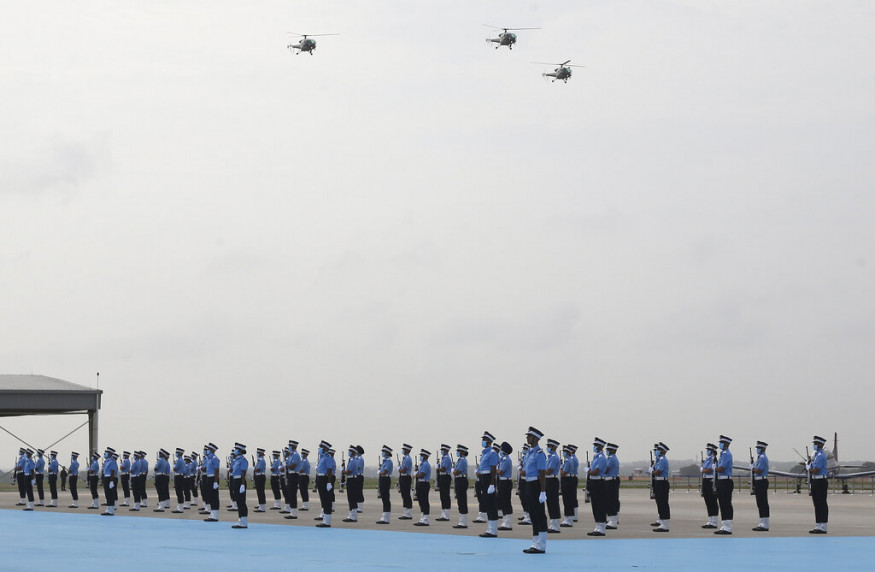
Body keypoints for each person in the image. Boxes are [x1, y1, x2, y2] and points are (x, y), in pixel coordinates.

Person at [522, 427, 548, 554]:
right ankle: (535, 542)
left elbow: (542, 474)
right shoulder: (529, 453)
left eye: (530, 436)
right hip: (528, 484)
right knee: (532, 514)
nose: (527, 438)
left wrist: (543, 491)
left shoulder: (539, 454)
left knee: (539, 514)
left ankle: (541, 544)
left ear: (536, 438)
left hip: (536, 485)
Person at [477, 431, 500, 538]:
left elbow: (493, 470)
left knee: (491, 504)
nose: (483, 441)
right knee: (486, 502)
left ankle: (493, 530)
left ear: (490, 441)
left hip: (488, 479)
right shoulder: (485, 453)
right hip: (483, 478)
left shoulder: (492, 453)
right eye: (483, 439)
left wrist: (492, 484)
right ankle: (490, 528)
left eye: (485, 439)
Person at [586, 438, 608, 536]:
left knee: (600, 505)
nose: (594, 447)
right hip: (594, 482)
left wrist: (589, 471)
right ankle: (598, 526)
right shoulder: (596, 457)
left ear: (600, 447)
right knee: (595, 505)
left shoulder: (601, 458)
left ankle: (601, 528)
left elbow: (595, 472)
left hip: (599, 482)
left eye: (596, 445)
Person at [809, 434, 829, 534]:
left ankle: (823, 526)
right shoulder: (816, 455)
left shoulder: (820, 456)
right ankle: (818, 524)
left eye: (816, 444)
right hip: (815, 480)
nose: (815, 445)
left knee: (822, 503)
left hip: (820, 481)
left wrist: (809, 468)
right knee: (816, 503)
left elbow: (816, 470)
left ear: (821, 445)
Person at [714, 435, 734, 535]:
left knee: (726, 503)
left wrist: (715, 468)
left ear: (726, 444)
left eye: (722, 442)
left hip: (726, 481)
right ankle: (724, 524)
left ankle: (728, 526)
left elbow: (721, 468)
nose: (720, 444)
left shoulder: (726, 454)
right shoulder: (722, 454)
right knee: (721, 503)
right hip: (721, 481)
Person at [314, 441, 336, 528]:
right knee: (323, 499)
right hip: (320, 478)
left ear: (326, 448)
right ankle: (325, 519)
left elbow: (330, 470)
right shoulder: (322, 457)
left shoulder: (327, 457)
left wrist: (329, 483)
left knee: (326, 500)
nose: (320, 448)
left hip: (325, 479)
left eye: (321, 447)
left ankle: (327, 521)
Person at [651, 442, 670, 532]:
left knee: (663, 503)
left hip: (662, 482)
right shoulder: (659, 460)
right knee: (660, 503)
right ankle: (662, 522)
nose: (657, 451)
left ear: (663, 451)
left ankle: (665, 524)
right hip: (658, 482)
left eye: (659, 449)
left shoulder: (663, 460)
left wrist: (652, 471)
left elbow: (657, 472)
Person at [544, 438, 562, 533]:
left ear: (554, 447)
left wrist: (541, 471)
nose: (547, 448)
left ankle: (555, 525)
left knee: (553, 502)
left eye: (549, 446)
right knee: (550, 503)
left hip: (552, 480)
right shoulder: (550, 457)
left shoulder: (554, 457)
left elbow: (548, 471)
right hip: (548, 480)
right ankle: (552, 524)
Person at [751, 440, 770, 531]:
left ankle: (765, 524)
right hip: (758, 481)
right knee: (759, 503)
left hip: (762, 481)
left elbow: (758, 471)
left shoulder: (762, 458)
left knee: (763, 502)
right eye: (757, 448)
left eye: (759, 448)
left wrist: (753, 468)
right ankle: (762, 521)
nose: (757, 449)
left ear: (763, 448)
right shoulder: (759, 458)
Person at [342, 445, 364, 522]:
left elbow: (348, 472)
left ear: (354, 452)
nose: (349, 452)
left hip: (353, 479)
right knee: (350, 498)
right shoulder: (352, 460)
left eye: (350, 451)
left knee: (352, 498)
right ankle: (351, 515)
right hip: (351, 479)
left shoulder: (354, 461)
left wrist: (343, 471)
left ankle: (353, 516)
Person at [700, 443, 719, 529]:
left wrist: (703, 470)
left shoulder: (713, 459)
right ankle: (710, 520)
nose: (707, 451)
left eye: (709, 450)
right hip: (705, 480)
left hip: (711, 480)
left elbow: (708, 470)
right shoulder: (707, 459)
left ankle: (714, 521)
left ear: (712, 451)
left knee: (712, 501)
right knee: (707, 501)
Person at [231, 443, 250, 529]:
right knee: (238, 501)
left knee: (241, 501)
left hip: (240, 481)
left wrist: (242, 484)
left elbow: (243, 473)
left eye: (236, 449)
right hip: (235, 480)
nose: (235, 450)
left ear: (240, 451)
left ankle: (244, 521)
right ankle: (240, 520)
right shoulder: (237, 460)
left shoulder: (243, 460)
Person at [496, 442, 514, 530]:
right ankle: (505, 521)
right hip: (502, 482)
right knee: (503, 502)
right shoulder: (502, 459)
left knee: (506, 502)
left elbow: (500, 472)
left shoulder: (506, 460)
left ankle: (508, 523)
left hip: (505, 482)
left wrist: (494, 469)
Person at [560, 444, 579, 527]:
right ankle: (569, 518)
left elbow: (564, 473)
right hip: (570, 479)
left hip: (568, 480)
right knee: (569, 499)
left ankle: (569, 519)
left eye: (564, 451)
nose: (563, 453)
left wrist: (560, 468)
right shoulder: (570, 459)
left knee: (567, 500)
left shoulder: (568, 460)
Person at [413, 449, 432, 526]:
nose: (420, 457)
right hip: (420, 483)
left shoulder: (425, 465)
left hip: (424, 483)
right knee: (421, 501)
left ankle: (426, 519)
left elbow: (421, 475)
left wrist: (415, 475)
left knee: (424, 501)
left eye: (422, 456)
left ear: (425, 456)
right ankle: (423, 518)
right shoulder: (422, 464)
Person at [452, 444, 469, 529]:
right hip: (459, 480)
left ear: (462, 452)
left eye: (458, 451)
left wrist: (453, 470)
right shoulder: (460, 460)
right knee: (460, 501)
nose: (457, 453)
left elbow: (456, 472)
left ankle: (463, 522)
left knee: (462, 501)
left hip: (461, 480)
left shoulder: (462, 460)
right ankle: (462, 521)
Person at [203, 443, 221, 522]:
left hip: (213, 478)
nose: (207, 451)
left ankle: (215, 515)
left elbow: (217, 470)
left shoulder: (214, 458)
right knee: (210, 496)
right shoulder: (209, 459)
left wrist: (215, 481)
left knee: (214, 497)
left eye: (209, 449)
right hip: (208, 477)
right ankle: (212, 514)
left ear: (213, 450)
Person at [604, 443, 620, 529]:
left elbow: (605, 470)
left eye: (609, 450)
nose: (607, 451)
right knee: (610, 500)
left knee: (611, 501)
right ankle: (612, 519)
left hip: (611, 481)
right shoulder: (610, 458)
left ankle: (613, 522)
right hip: (610, 480)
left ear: (614, 450)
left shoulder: (611, 459)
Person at [376, 445, 394, 524]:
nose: (382, 453)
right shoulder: (385, 461)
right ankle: (384, 516)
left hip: (385, 479)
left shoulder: (389, 461)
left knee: (386, 498)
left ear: (387, 453)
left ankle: (386, 517)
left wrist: (379, 472)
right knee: (383, 498)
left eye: (383, 452)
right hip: (382, 479)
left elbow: (384, 472)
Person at [285, 441, 302, 519]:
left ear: (294, 446)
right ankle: (292, 512)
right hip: (290, 475)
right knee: (290, 493)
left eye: (290, 446)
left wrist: (286, 465)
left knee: (292, 494)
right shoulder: (291, 455)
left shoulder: (295, 455)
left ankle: (294, 513)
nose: (289, 447)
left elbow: (292, 466)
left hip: (294, 475)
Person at [436, 444, 453, 522]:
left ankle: (446, 515)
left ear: (447, 450)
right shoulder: (443, 458)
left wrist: (438, 468)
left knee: (445, 495)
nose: (442, 451)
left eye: (443, 449)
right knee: (442, 496)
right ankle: (443, 514)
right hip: (442, 477)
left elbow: (443, 469)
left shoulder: (446, 459)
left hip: (445, 477)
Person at [398, 444, 414, 520]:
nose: (403, 450)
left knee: (406, 495)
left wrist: (399, 469)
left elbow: (404, 470)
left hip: (406, 477)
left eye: (404, 449)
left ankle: (408, 513)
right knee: (404, 495)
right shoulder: (405, 458)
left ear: (408, 450)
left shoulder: (407, 459)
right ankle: (405, 512)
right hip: (403, 477)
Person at [101, 448, 118, 516]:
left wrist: (111, 481)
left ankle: (111, 510)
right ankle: (108, 509)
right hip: (106, 477)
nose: (105, 454)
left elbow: (112, 471)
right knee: (107, 494)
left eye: (107, 452)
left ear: (110, 453)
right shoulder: (107, 461)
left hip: (110, 478)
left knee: (110, 495)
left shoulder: (112, 461)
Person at [172, 447, 187, 513]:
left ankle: (180, 508)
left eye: (177, 453)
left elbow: (175, 469)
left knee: (179, 492)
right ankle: (180, 507)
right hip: (181, 476)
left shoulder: (179, 460)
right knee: (180, 492)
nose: (176, 454)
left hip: (178, 476)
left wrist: (174, 465)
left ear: (181, 453)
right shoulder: (182, 460)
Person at [253, 448, 267, 512]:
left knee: (261, 491)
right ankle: (260, 505)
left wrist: (254, 469)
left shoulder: (261, 460)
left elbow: (258, 469)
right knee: (259, 491)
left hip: (260, 476)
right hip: (258, 476)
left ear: (261, 453)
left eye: (258, 453)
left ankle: (262, 507)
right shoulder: (259, 460)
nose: (257, 454)